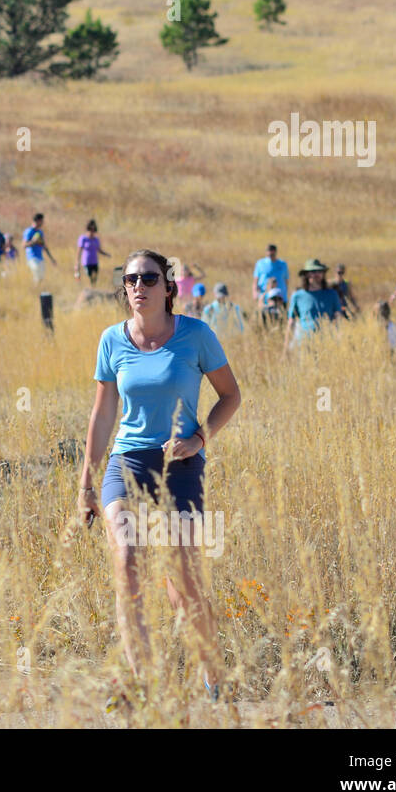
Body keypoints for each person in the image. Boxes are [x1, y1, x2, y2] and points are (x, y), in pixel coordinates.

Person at [71, 248, 241, 707]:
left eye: (148, 278)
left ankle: (213, 675)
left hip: (179, 465)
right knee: (127, 563)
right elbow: (103, 411)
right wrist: (86, 485)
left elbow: (230, 395)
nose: (138, 287)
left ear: (169, 287)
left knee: (182, 581)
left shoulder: (196, 335)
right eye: (130, 279)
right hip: (126, 462)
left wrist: (200, 439)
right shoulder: (112, 339)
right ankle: (145, 687)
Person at [285, 258, 344, 352]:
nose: (317, 274)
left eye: (320, 271)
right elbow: (291, 322)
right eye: (313, 271)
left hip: (326, 343)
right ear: (306, 274)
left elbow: (338, 318)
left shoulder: (332, 294)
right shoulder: (297, 295)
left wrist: (339, 340)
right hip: (303, 344)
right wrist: (286, 349)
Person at [252, 244, 290, 310]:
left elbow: (286, 280)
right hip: (265, 296)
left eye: (272, 254)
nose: (270, 256)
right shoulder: (260, 263)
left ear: (275, 252)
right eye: (268, 254)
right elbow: (255, 280)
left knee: (281, 315)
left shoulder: (282, 264)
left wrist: (285, 293)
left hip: (280, 296)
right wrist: (254, 292)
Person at [22, 213, 58, 282]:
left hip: (40, 258)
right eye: (42, 221)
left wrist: (52, 259)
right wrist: (33, 241)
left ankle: (37, 291)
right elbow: (24, 245)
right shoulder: (29, 231)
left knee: (41, 278)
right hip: (32, 258)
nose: (43, 223)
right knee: (37, 276)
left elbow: (44, 246)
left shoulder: (40, 232)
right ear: (38, 221)